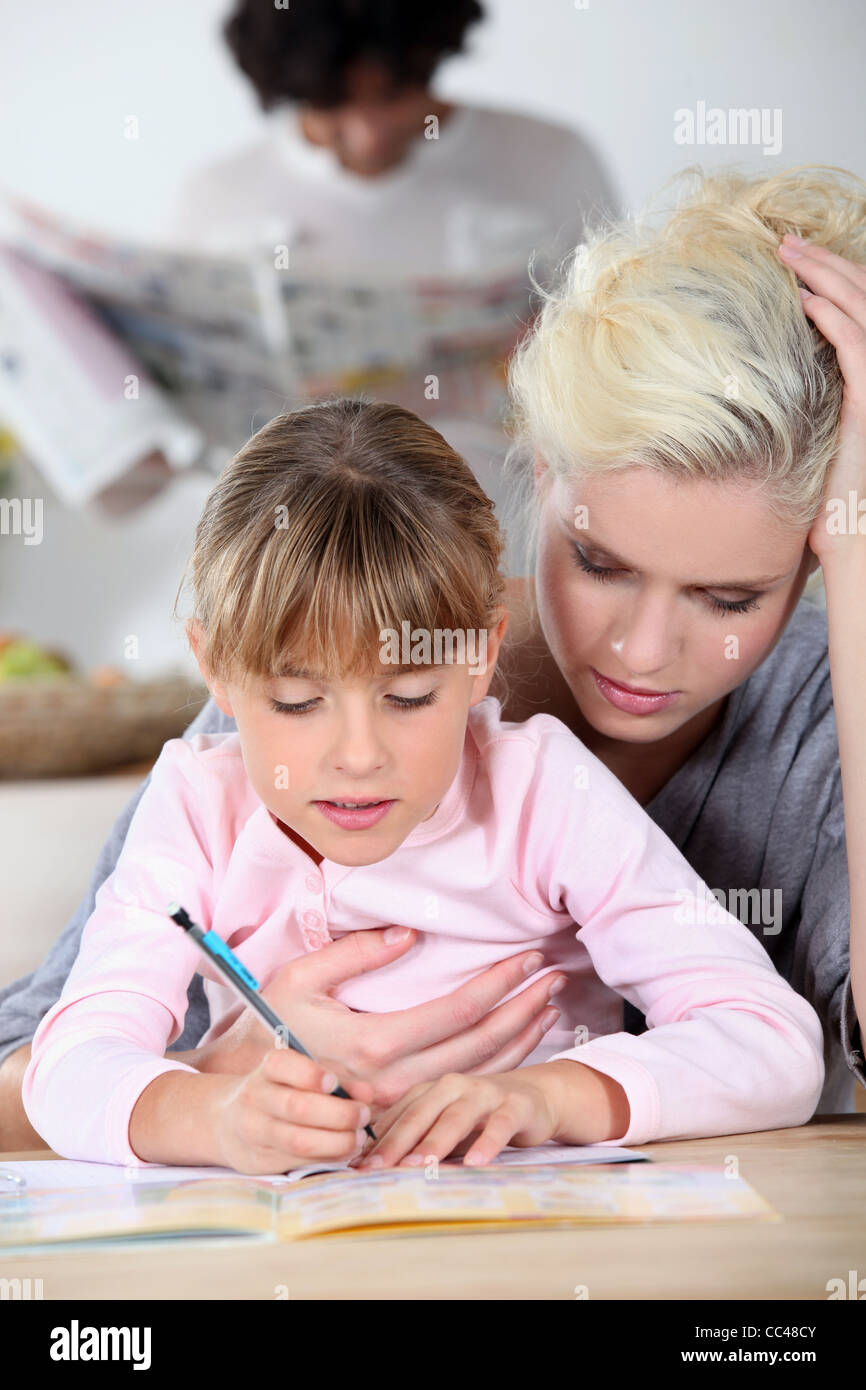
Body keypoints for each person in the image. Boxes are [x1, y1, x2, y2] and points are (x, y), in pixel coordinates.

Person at [2, 162, 862, 1148]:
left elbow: (771, 1046)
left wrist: (554, 1095)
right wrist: (218, 1083)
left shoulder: (555, 778)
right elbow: (44, 1070)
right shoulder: (265, 710)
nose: (639, 647)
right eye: (597, 561)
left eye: (727, 597)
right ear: (540, 468)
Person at [21, 399, 823, 1172]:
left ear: (480, 656)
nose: (359, 756)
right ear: (216, 673)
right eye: (298, 703)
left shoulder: (544, 791)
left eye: (407, 698)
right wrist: (217, 1115)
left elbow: (771, 1040)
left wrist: (549, 1097)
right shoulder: (197, 804)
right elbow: (68, 1063)